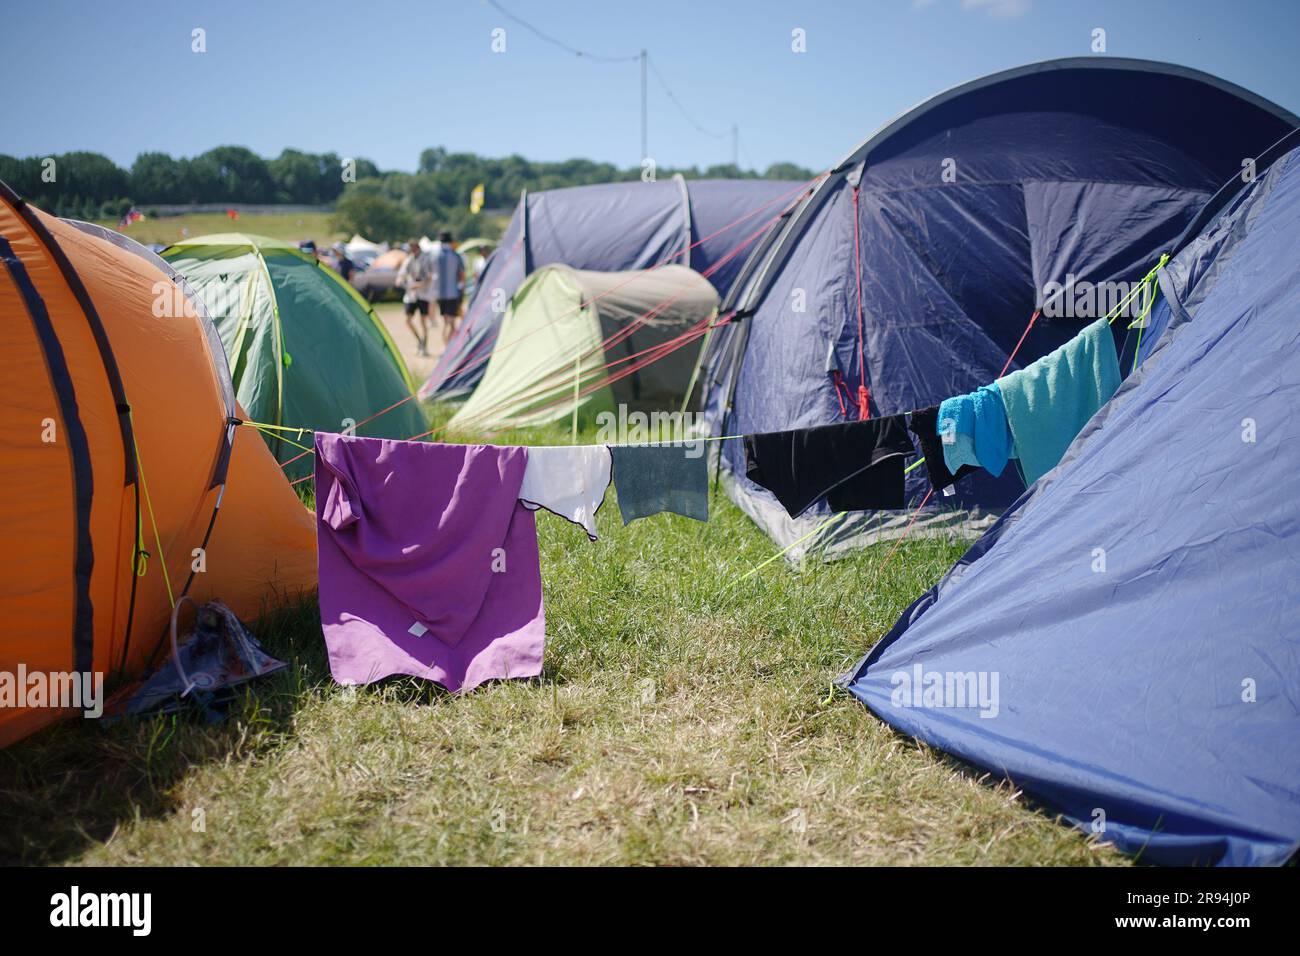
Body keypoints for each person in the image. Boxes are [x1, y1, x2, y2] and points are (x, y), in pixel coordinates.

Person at [397, 238, 435, 356]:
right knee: (408, 320)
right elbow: (401, 275)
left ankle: (424, 345)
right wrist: (400, 281)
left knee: (423, 321)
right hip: (411, 295)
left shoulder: (425, 259)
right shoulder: (409, 260)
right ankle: (419, 340)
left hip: (423, 294)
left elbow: (429, 277)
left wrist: (420, 285)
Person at [432, 230, 466, 345]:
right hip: (453, 293)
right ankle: (448, 345)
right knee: (451, 322)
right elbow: (462, 275)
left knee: (447, 321)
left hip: (439, 293)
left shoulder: (434, 256)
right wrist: (461, 288)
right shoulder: (456, 255)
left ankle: (448, 344)